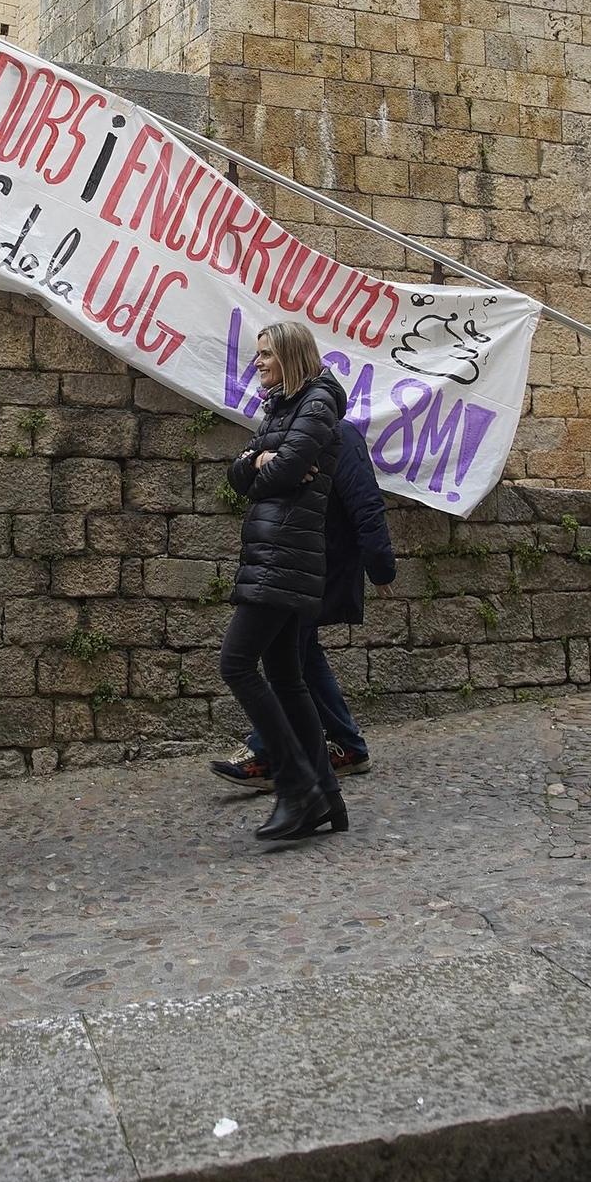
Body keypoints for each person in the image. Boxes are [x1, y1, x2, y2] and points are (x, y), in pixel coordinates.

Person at [211, 417, 396, 792]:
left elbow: (366, 503)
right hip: (291, 562)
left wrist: (380, 567)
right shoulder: (284, 432)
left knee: (285, 654)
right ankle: (346, 745)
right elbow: (243, 475)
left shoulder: (341, 436)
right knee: (301, 653)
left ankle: (271, 753)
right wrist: (257, 461)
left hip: (319, 564)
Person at [219, 321, 349, 842]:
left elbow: (284, 473)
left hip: (284, 556)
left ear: (291, 356)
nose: (258, 363)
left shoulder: (316, 404)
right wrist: (258, 460)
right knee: (287, 678)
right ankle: (326, 798)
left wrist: (264, 470)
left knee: (236, 664)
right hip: (276, 555)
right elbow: (238, 474)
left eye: (267, 355)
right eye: (258, 355)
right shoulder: (281, 408)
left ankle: (297, 786)